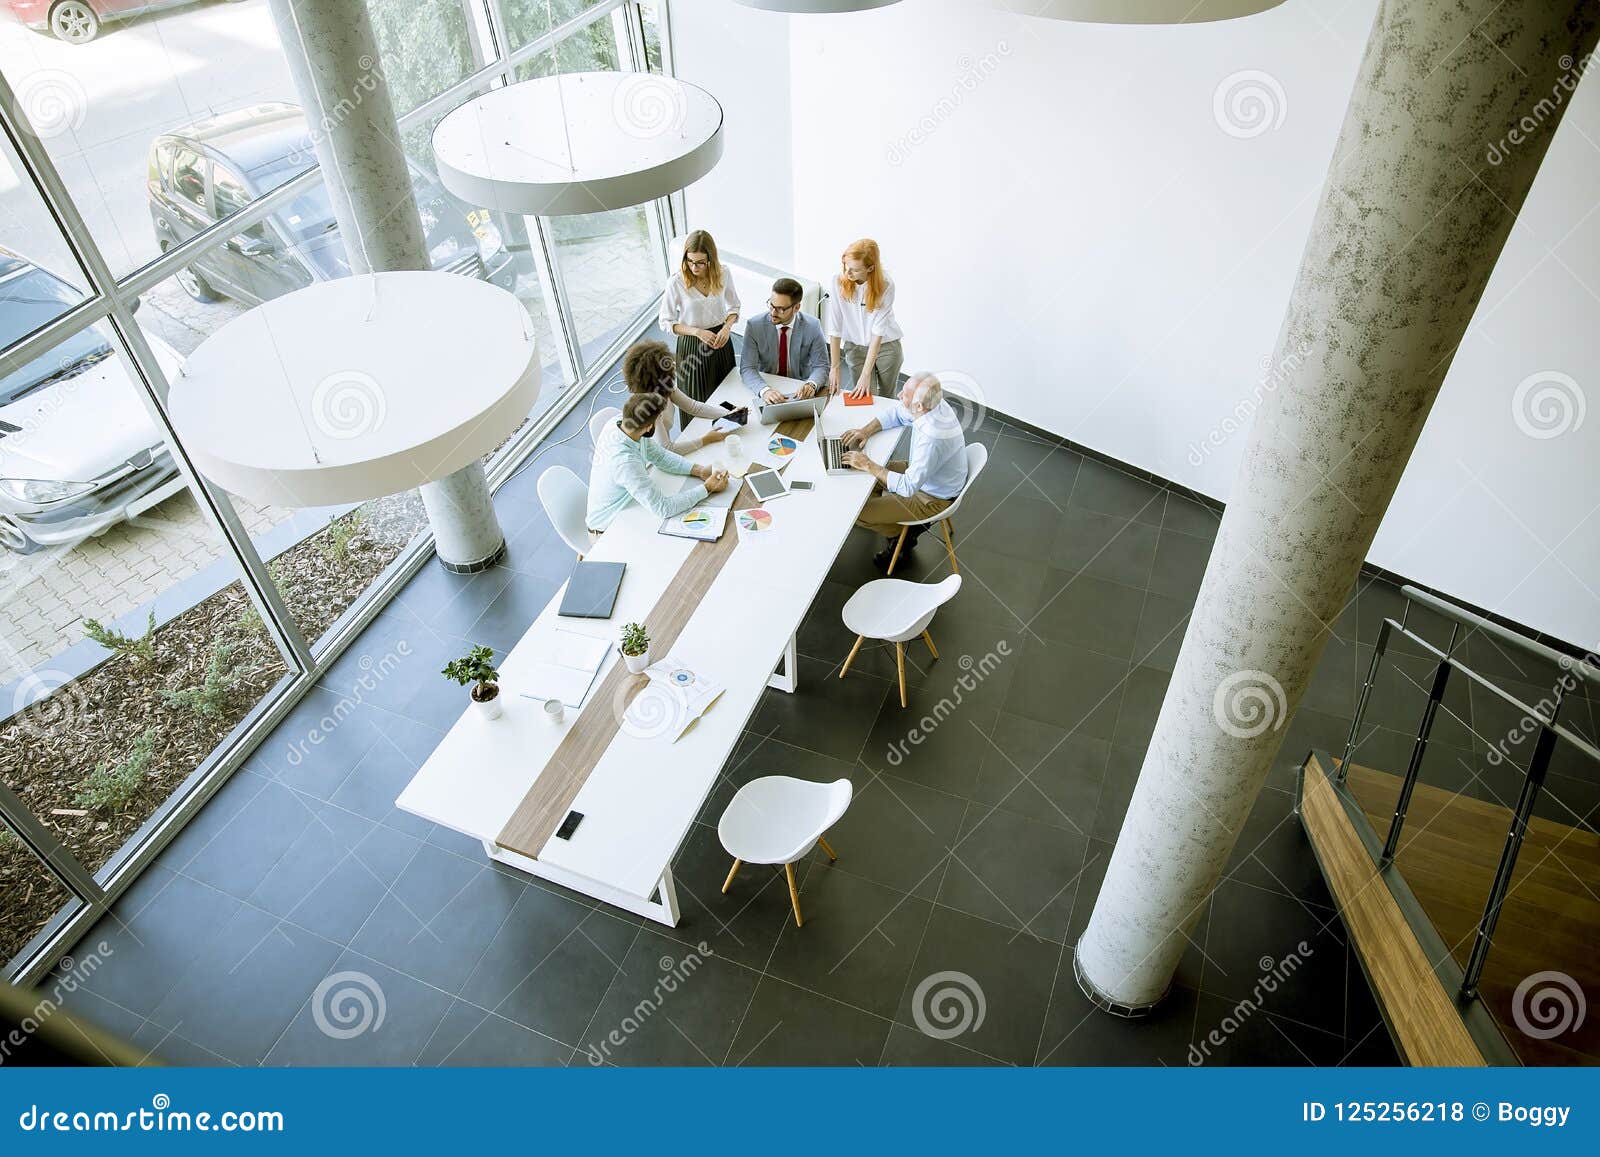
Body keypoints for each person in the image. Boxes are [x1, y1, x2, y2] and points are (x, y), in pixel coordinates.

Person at [842, 373, 967, 569]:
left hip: (931, 496)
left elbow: (909, 487)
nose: (899, 395)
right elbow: (898, 413)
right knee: (862, 478)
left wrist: (868, 464)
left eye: (905, 394)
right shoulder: (932, 404)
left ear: (919, 406)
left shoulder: (932, 436)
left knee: (857, 513)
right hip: (925, 477)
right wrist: (866, 430)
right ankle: (897, 521)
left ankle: (904, 534)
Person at [587, 392, 729, 532]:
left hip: (628, 504)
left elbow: (659, 456)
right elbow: (663, 508)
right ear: (649, 427)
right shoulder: (626, 463)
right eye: (659, 418)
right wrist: (707, 488)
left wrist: (698, 470)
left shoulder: (621, 423)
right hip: (607, 528)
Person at [659, 229, 740, 418]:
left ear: (710, 260)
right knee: (696, 401)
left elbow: (735, 307)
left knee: (727, 394)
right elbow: (665, 321)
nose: (694, 267)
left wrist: (727, 328)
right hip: (692, 343)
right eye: (690, 261)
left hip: (720, 340)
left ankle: (730, 433)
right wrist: (697, 332)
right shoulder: (676, 282)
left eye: (700, 263)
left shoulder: (723, 273)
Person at [622, 340, 733, 456]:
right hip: (651, 459)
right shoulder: (648, 407)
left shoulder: (665, 388)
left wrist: (728, 414)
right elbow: (667, 449)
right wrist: (706, 439)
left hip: (663, 450)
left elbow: (693, 407)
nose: (673, 366)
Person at [827, 238, 904, 399]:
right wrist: (834, 367)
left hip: (886, 346)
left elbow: (878, 332)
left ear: (870, 268)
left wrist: (866, 374)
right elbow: (835, 326)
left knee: (886, 398)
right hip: (855, 348)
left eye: (854, 269)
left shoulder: (886, 285)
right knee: (865, 398)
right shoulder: (837, 281)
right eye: (846, 265)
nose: (847, 272)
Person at [739, 276, 829, 403]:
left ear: (796, 308)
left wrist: (812, 384)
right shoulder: (754, 326)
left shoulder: (813, 326)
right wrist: (765, 391)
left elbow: (821, 366)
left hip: (799, 386)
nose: (773, 313)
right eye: (771, 305)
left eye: (780, 309)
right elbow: (747, 368)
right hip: (768, 383)